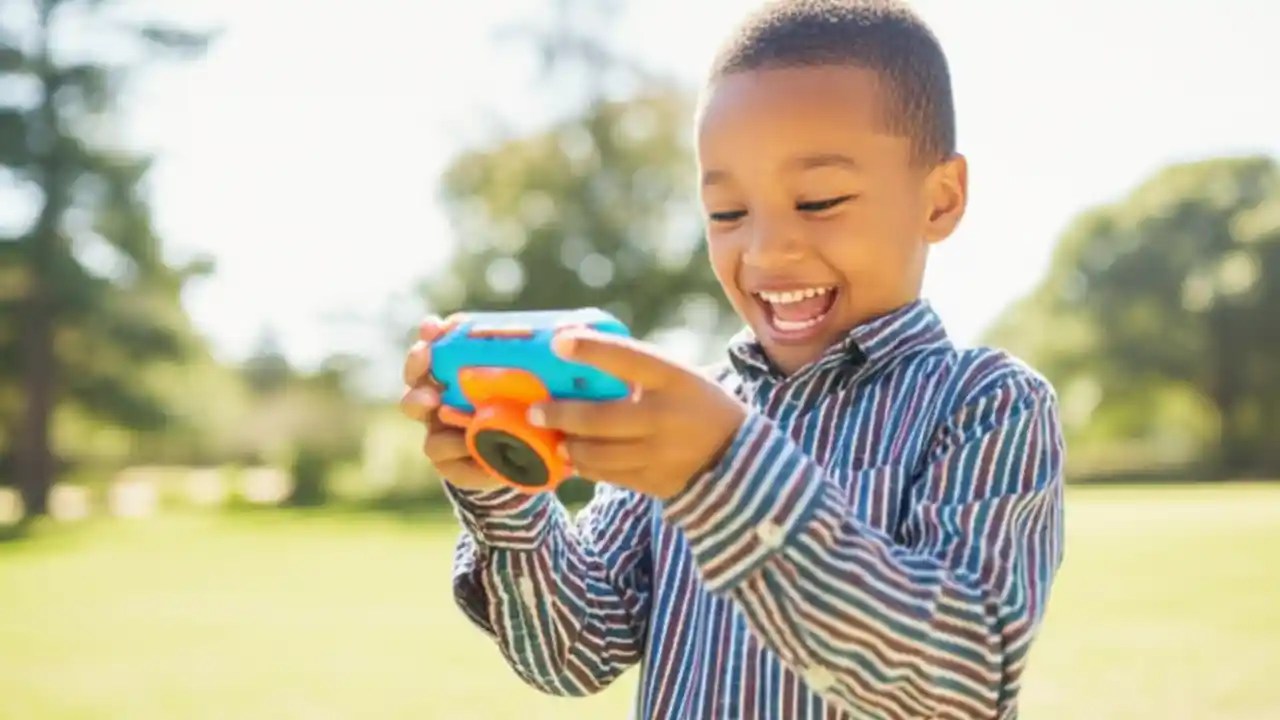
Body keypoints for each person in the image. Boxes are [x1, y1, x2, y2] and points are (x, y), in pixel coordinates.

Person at [400, 0, 1065, 717]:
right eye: (726, 213)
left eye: (818, 201)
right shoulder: (675, 418)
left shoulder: (988, 404)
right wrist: (506, 492)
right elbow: (575, 652)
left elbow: (958, 686)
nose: (765, 250)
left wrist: (727, 472)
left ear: (940, 200)